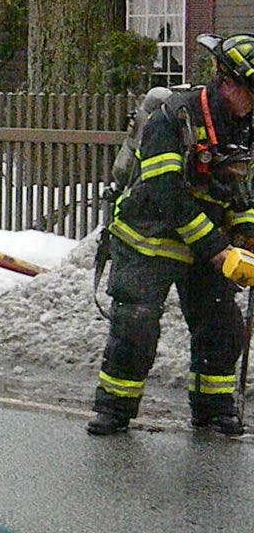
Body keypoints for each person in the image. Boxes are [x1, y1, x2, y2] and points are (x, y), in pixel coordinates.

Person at [88, 33, 254, 436]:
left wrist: (246, 232)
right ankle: (115, 410)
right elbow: (166, 193)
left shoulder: (246, 125)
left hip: (207, 242)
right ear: (228, 82)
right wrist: (216, 248)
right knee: (137, 325)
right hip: (149, 237)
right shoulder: (173, 119)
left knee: (222, 325)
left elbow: (243, 188)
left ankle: (214, 410)